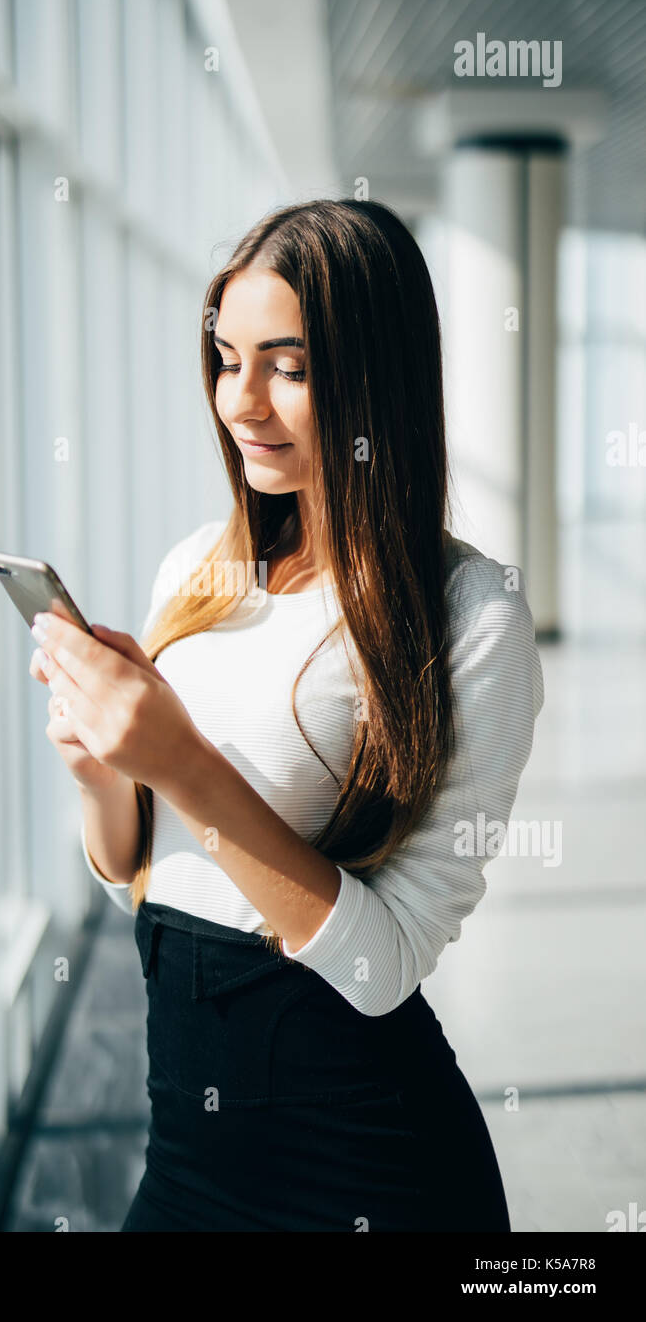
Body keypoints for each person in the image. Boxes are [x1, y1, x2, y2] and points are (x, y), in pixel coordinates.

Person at [28, 198, 544, 1232]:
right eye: (225, 358)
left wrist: (176, 761)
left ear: (375, 376)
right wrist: (101, 769)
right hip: (183, 1145)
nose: (240, 401)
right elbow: (143, 878)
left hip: (363, 1166)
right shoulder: (197, 573)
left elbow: (380, 963)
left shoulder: (471, 618)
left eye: (289, 367)